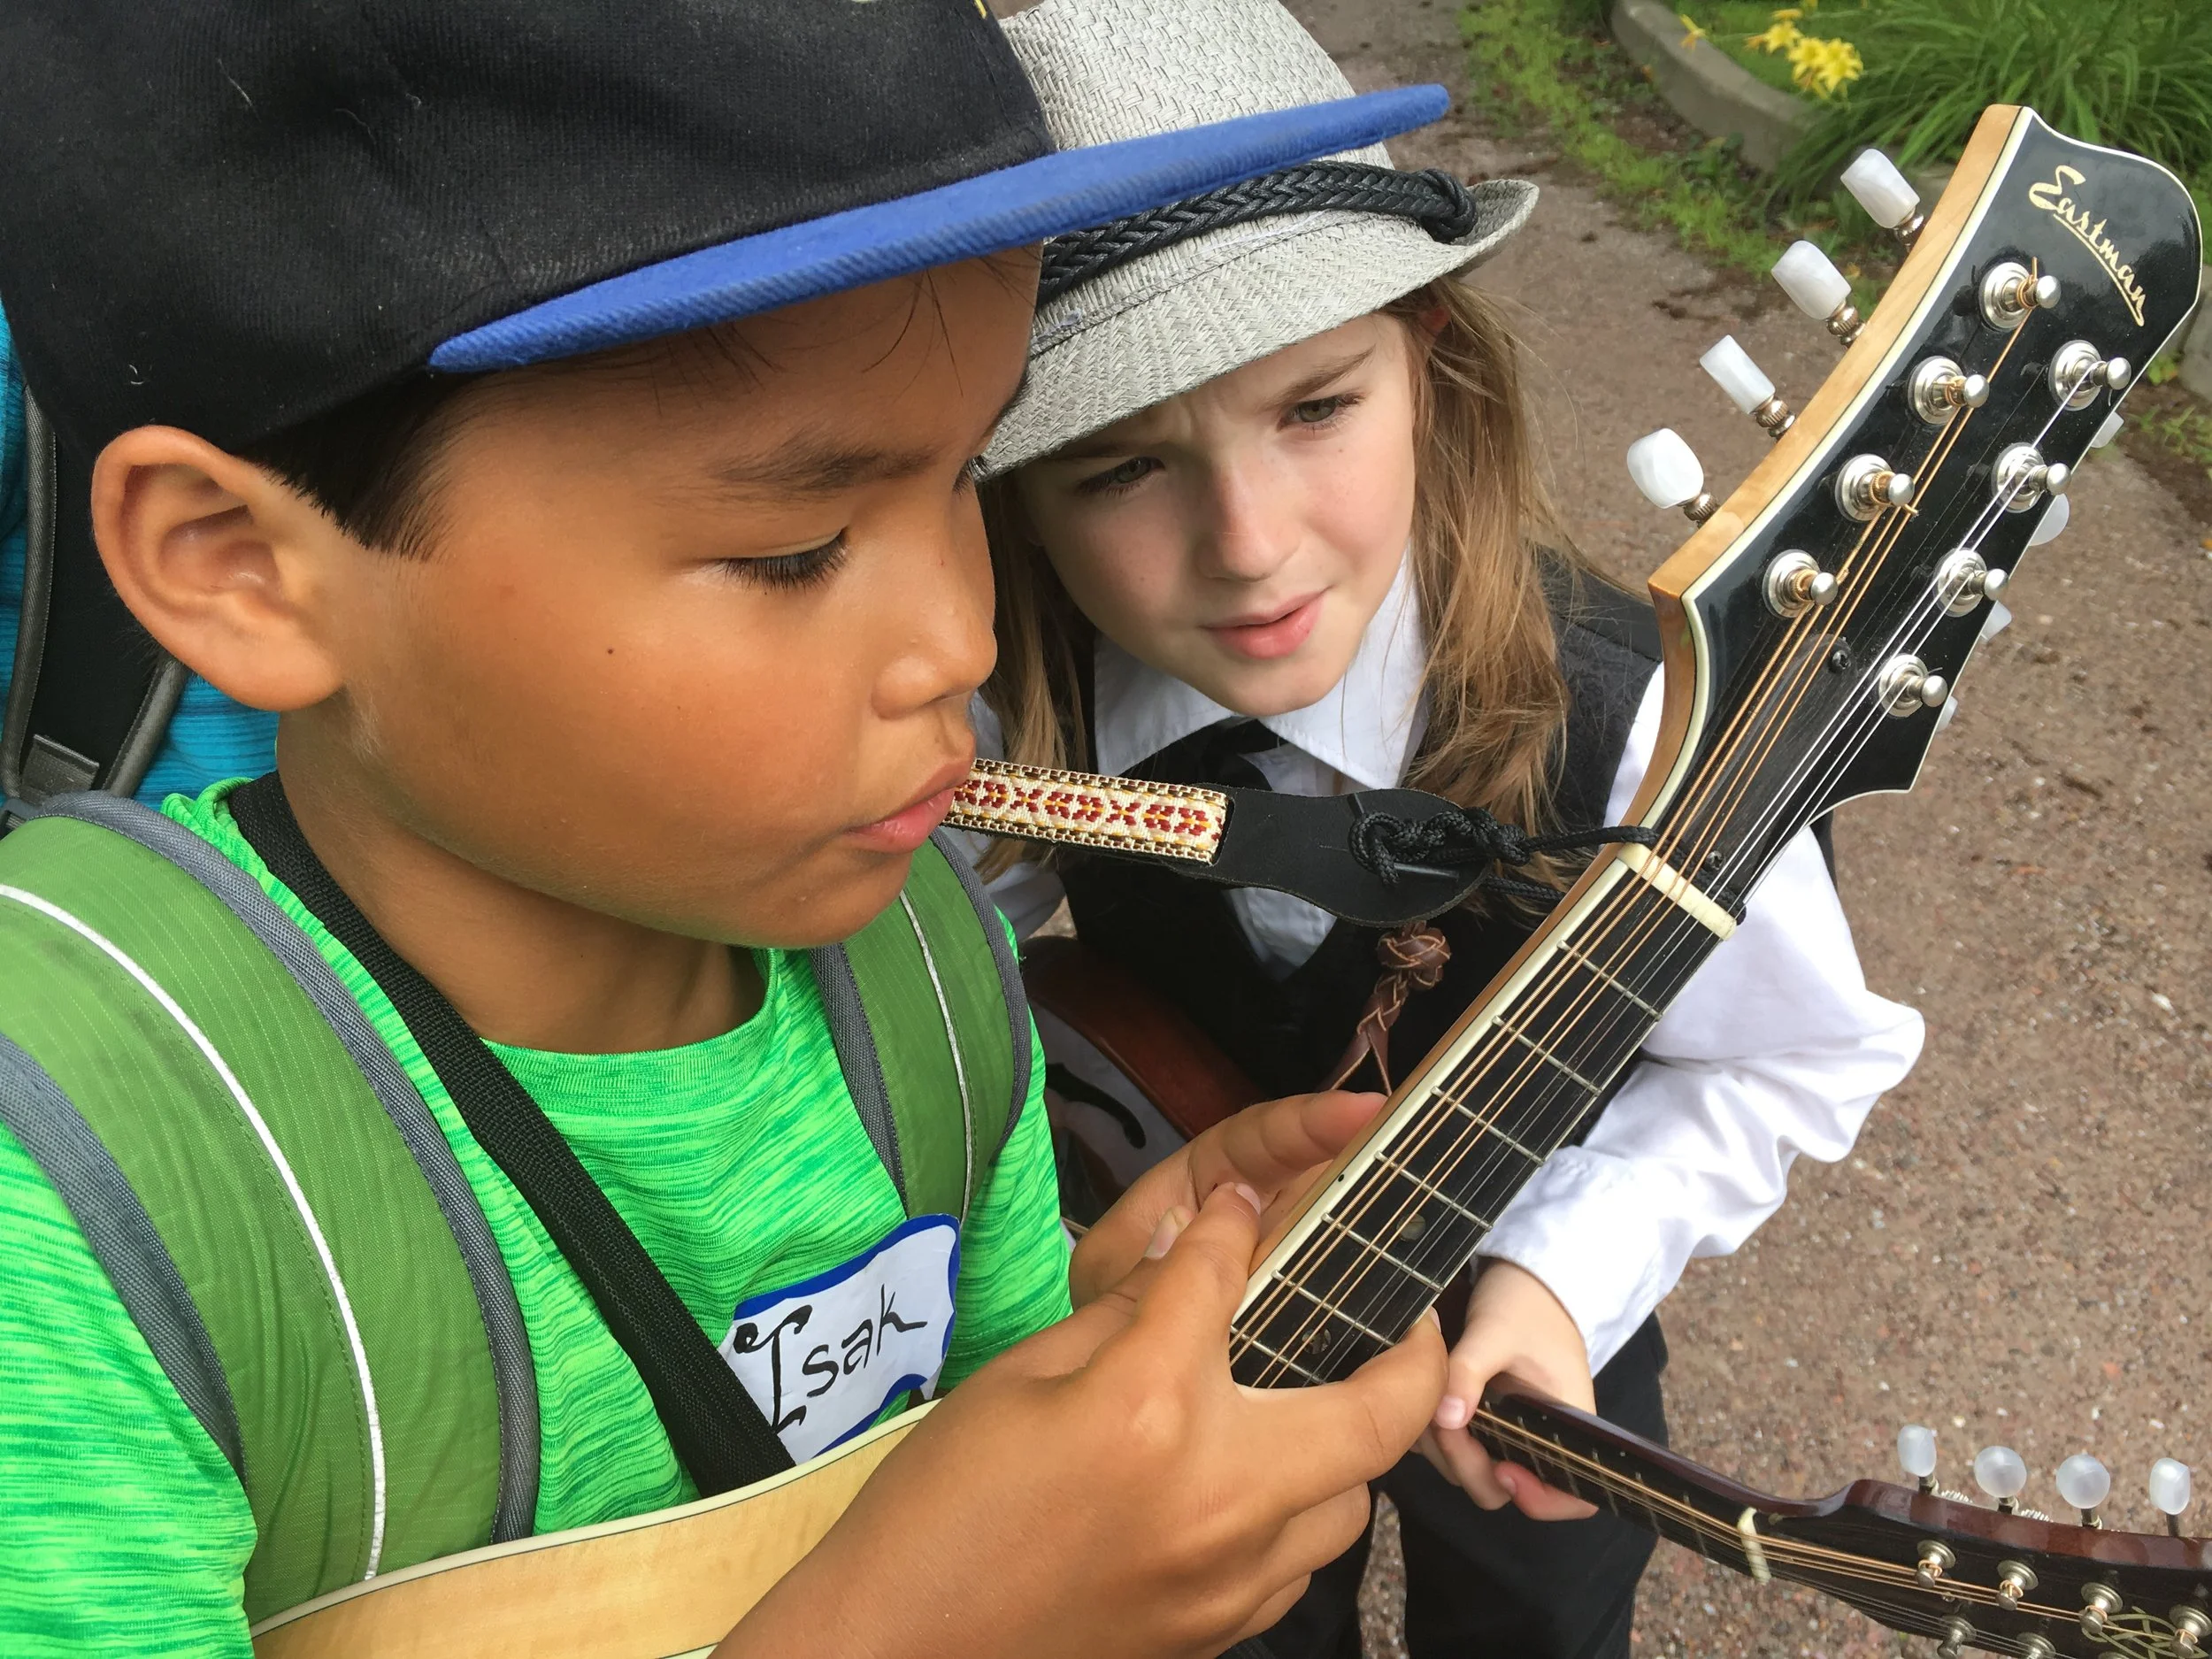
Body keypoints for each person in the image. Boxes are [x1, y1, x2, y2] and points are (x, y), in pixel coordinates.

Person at [0, 3, 1458, 1655]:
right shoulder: (71, 1196)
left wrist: (1084, 1397)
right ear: (241, 567)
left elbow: (941, 1449)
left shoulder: (924, 962)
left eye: (971, 475)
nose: (964, 648)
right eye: (796, 547)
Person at [967, 1, 1926, 1655]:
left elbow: (1791, 1052)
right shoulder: (1034, 697)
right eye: (1120, 468)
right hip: (1203, 1323)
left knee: (1538, 1611)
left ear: (1435, 366)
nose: (1250, 545)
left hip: (1533, 1319)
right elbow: (907, 951)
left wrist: (1562, 1277)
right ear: (1016, 511)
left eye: (1316, 408)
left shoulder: (1644, 727)